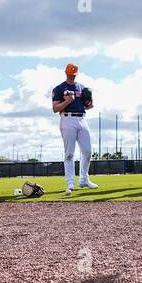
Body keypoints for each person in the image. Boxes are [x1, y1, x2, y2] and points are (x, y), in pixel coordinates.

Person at [51, 63, 99, 193]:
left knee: (87, 151)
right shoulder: (59, 88)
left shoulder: (81, 87)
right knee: (69, 154)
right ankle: (70, 183)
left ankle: (83, 179)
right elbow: (55, 109)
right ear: (66, 73)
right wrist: (67, 101)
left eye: (74, 74)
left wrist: (90, 104)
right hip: (67, 118)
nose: (72, 76)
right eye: (70, 74)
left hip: (82, 118)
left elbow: (87, 106)